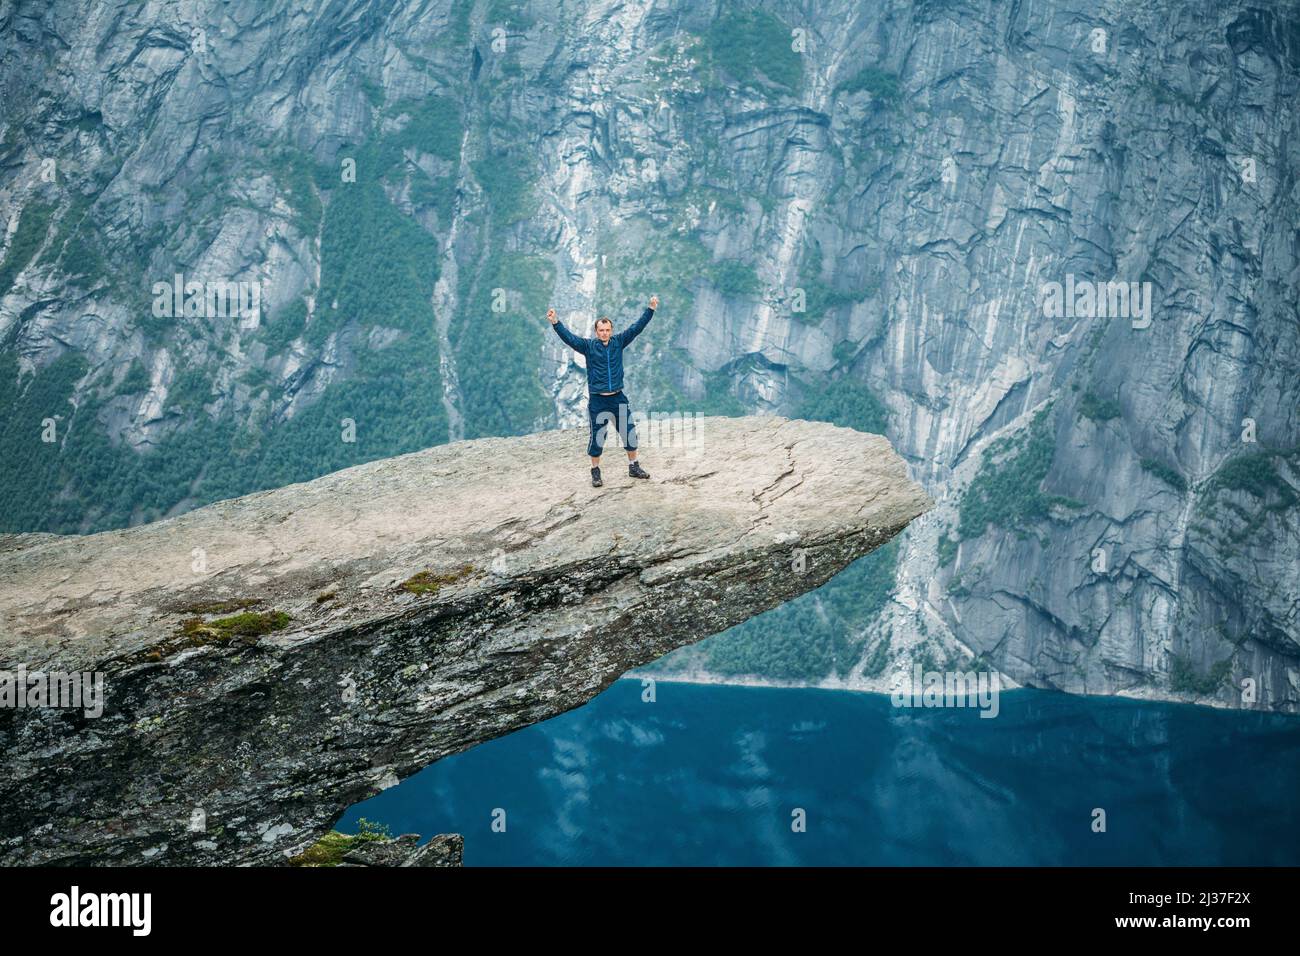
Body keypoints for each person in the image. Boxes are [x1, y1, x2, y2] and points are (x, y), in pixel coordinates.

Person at [548, 296, 658, 487]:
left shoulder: (619, 342)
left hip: (618, 397)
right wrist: (556, 322)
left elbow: (637, 328)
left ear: (611, 331)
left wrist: (651, 309)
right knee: (598, 437)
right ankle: (595, 472)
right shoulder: (588, 346)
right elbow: (569, 338)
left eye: (607, 330)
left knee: (629, 432)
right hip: (598, 400)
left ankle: (633, 466)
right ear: (596, 332)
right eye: (601, 330)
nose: (605, 333)